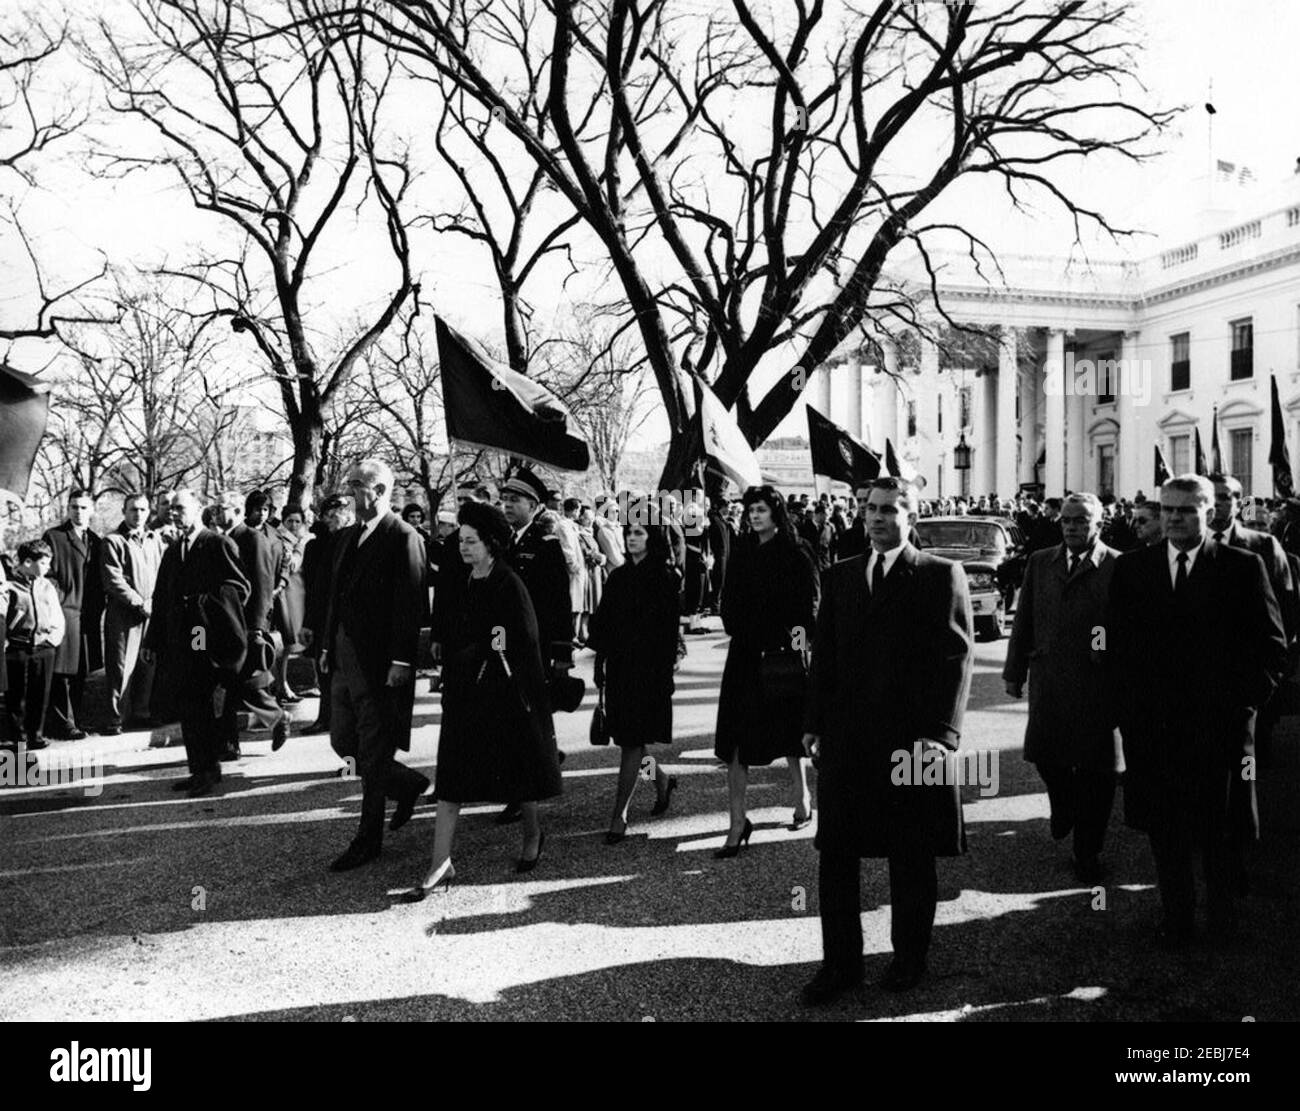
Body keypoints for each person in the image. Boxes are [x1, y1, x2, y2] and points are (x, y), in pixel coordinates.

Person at [800, 477, 974, 1002]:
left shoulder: (940, 575)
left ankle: (908, 959)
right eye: (868, 509)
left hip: (911, 742)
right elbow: (824, 657)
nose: (876, 518)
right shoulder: (841, 577)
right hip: (848, 740)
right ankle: (840, 965)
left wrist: (940, 735)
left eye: (888, 510)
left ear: (910, 516)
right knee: (837, 856)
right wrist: (812, 723)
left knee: (910, 854)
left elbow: (956, 658)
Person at [1108, 474, 1286, 948]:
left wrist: (1244, 705)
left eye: (1185, 510)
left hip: (1219, 731)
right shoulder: (1133, 569)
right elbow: (1113, 645)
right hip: (1155, 731)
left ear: (1210, 512)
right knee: (1166, 833)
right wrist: (1127, 710)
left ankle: (1223, 920)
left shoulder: (1242, 566)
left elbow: (1272, 648)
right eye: (1167, 509)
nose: (1173, 518)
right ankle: (1177, 918)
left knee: (1219, 835)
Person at [406, 502, 562, 898]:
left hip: (504, 693)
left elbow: (517, 639)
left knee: (517, 772)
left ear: (491, 544)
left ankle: (533, 834)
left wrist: (483, 653)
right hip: (465, 693)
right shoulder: (464, 578)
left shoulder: (508, 582)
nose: (464, 548)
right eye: (461, 541)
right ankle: (440, 862)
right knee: (452, 776)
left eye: (472, 542)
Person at [312, 459, 431, 872]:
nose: (349, 493)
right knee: (344, 743)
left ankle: (368, 839)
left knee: (373, 749)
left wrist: (402, 660)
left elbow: (410, 604)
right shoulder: (347, 536)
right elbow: (335, 596)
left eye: (356, 486)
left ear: (379, 491)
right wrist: (327, 644)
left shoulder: (404, 537)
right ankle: (409, 784)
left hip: (380, 664)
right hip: (345, 658)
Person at [1003, 493, 1120, 883]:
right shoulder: (1040, 562)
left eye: (1081, 520)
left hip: (1097, 684)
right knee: (1045, 755)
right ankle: (1063, 803)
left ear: (1098, 525)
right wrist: (1014, 671)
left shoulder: (1118, 565)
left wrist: (1101, 645)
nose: (1071, 526)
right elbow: (1024, 620)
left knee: (1097, 774)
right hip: (1050, 677)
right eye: (1067, 520)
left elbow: (1121, 622)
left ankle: (1087, 853)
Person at [713, 485, 820, 855]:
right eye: (750, 510)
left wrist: (795, 652)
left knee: (791, 733)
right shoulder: (741, 549)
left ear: (776, 512)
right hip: (744, 654)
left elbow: (809, 608)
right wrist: (737, 627)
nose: (754, 516)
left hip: (781, 656)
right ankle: (737, 822)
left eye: (760, 509)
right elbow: (727, 599)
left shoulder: (796, 551)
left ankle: (802, 797)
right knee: (736, 740)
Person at [142, 491, 250, 798]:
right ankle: (198, 768)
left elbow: (239, 588)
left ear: (198, 509)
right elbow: (161, 599)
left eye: (181, 508)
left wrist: (202, 605)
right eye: (171, 509)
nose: (174, 513)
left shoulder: (217, 543)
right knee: (188, 702)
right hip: (178, 638)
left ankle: (208, 768)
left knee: (200, 694)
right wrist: (152, 640)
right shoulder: (174, 550)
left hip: (202, 636)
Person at [486, 466, 575, 825]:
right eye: (504, 499)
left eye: (515, 500)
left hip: (534, 649)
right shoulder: (503, 542)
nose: (507, 505)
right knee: (511, 719)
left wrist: (562, 653)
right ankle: (536, 769)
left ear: (535, 505)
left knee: (524, 720)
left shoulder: (545, 545)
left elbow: (558, 603)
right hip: (504, 646)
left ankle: (523, 794)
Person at [588, 501, 681, 843]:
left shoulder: (666, 577)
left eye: (639, 533)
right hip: (621, 669)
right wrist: (599, 664)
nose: (631, 538)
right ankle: (662, 781)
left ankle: (619, 815)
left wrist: (666, 673)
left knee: (631, 742)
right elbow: (604, 624)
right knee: (632, 740)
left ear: (652, 537)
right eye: (628, 533)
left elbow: (669, 632)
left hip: (650, 671)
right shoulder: (618, 576)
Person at [220, 490, 289, 755]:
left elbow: (262, 585)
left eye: (223, 508)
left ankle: (276, 717)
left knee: (247, 679)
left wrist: (257, 626)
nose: (218, 512)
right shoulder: (226, 537)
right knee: (228, 682)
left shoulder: (254, 539)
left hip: (247, 625)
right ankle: (228, 744)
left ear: (238, 510)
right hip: (228, 624)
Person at [99, 492, 164, 735]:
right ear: (124, 512)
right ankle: (115, 718)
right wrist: (139, 602)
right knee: (120, 667)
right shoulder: (113, 541)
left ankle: (141, 713)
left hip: (150, 612)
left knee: (148, 664)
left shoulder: (153, 538)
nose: (138, 514)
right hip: (124, 614)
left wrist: (155, 602)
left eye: (143, 510)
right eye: (133, 510)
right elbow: (113, 581)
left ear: (149, 512)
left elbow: (160, 572)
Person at [42, 490, 104, 740]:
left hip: (88, 615)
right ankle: (63, 723)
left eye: (84, 507)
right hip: (65, 612)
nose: (79, 512)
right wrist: (60, 602)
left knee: (80, 670)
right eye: (74, 507)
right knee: (62, 672)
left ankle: (76, 719)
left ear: (92, 511)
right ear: (68, 509)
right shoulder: (54, 537)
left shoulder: (97, 541)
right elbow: (47, 575)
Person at [3, 540, 66, 750]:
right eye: (45, 563)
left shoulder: (46, 585)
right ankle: (18, 738)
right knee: (16, 695)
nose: (48, 567)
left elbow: (57, 615)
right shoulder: (8, 585)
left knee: (40, 694)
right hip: (17, 648)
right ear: (28, 562)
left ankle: (35, 735)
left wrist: (52, 640)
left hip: (43, 647)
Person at [299, 493, 353, 735]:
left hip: (346, 618)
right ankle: (326, 716)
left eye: (334, 515)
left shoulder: (354, 539)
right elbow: (315, 587)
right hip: (323, 616)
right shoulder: (319, 544)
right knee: (325, 670)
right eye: (327, 516)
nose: (330, 520)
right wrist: (308, 622)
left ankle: (342, 719)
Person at [272, 503, 312, 703]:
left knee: (302, 637)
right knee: (287, 641)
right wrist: (300, 547)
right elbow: (291, 564)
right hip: (288, 594)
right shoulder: (280, 538)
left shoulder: (305, 537)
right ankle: (281, 684)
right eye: (290, 521)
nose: (294, 525)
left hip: (302, 591)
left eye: (298, 521)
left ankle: (311, 681)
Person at [576, 504, 606, 645]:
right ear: (581, 517)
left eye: (592, 518)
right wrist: (599, 557)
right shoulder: (579, 533)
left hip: (595, 571)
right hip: (587, 570)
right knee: (586, 602)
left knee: (593, 601)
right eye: (588, 518)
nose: (590, 521)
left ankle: (586, 630)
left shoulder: (590, 532)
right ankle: (582, 631)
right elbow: (586, 552)